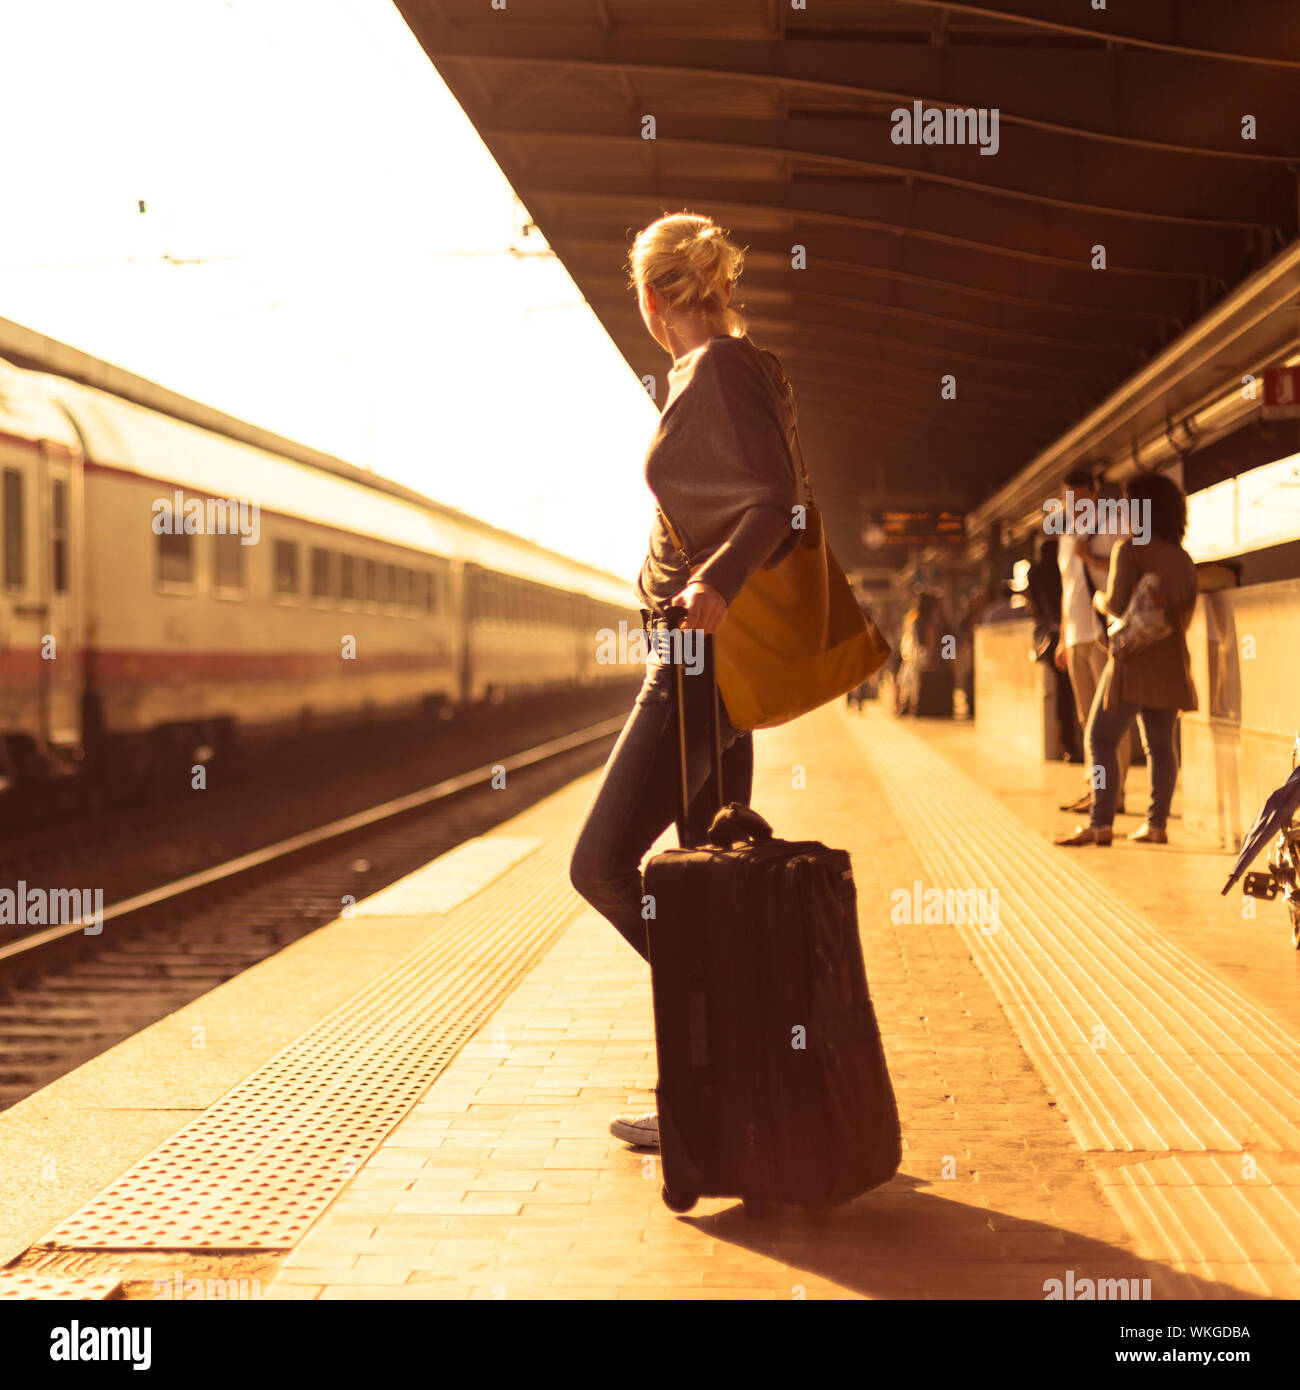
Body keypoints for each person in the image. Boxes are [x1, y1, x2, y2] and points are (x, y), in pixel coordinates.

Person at [568, 212, 802, 1151]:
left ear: (653, 298)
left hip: (697, 662)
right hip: (707, 661)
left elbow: (778, 498)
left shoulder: (720, 369)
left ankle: (739, 1046)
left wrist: (716, 580)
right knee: (706, 876)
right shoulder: (729, 370)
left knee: (600, 867)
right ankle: (716, 1091)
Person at [1053, 472, 1198, 847]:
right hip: (1171, 663)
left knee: (1100, 738)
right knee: (1161, 745)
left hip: (1132, 663)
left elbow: (1115, 604)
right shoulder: (1183, 558)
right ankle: (1156, 825)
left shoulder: (1131, 549)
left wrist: (1100, 601)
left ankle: (1100, 823)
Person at [1054, 467, 1131, 816]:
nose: (1074, 504)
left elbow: (1127, 574)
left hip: (1103, 633)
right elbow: (1066, 588)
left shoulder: (1113, 524)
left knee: (1110, 716)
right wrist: (1061, 638)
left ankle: (1116, 792)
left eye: (1080, 496)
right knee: (1087, 718)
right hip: (1075, 637)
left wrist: (1093, 559)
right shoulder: (1065, 534)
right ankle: (1094, 787)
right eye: (1068, 498)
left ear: (1094, 494)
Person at [1026, 536, 1083, 763]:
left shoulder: (1035, 573)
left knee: (1063, 693)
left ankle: (1068, 744)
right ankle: (1078, 745)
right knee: (1080, 692)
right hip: (1071, 633)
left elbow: (1033, 607)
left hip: (1051, 638)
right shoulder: (1062, 569)